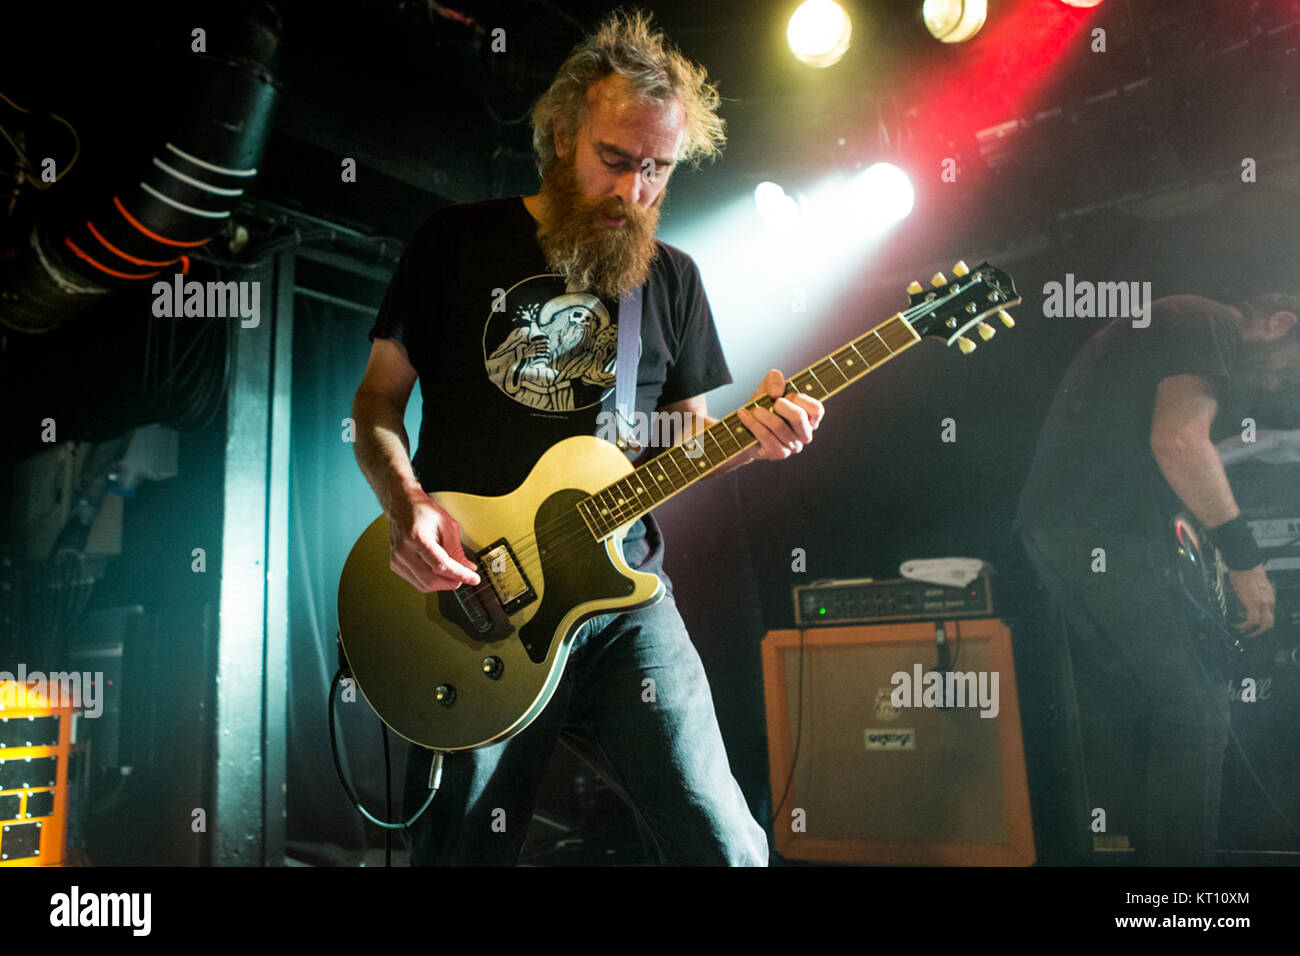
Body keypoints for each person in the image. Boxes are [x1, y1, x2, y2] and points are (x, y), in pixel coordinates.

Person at [349, 10, 824, 866]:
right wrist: (408, 507)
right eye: (615, 159)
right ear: (562, 134)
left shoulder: (673, 279)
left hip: (623, 605)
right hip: (475, 601)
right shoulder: (453, 243)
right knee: (462, 853)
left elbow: (686, 441)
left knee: (728, 847)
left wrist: (750, 438)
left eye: (657, 170)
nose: (632, 191)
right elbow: (378, 404)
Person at [1015, 291, 1300, 865]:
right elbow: (1178, 441)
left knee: (1170, 712)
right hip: (1098, 532)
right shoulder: (1208, 320)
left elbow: (1164, 458)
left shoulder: (1171, 331)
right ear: (1279, 324)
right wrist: (1245, 562)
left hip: (1072, 531)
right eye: (1290, 365)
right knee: (1196, 710)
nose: (1279, 383)